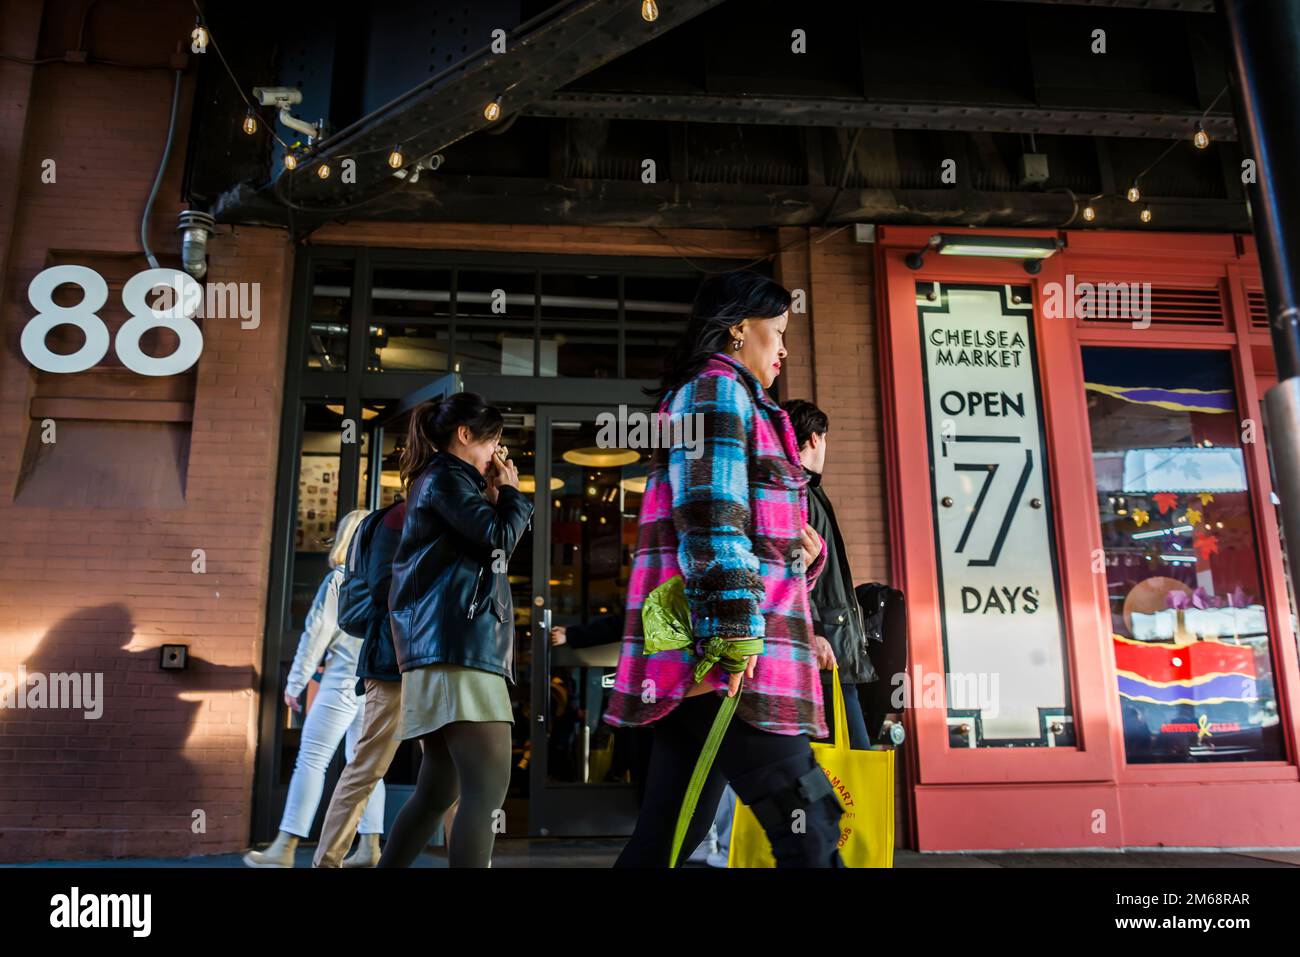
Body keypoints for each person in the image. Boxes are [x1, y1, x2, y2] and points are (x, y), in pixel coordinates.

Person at [603, 269, 845, 868]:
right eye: (778, 331)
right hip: (733, 663)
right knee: (811, 826)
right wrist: (735, 633)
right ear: (739, 328)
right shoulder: (715, 393)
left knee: (668, 837)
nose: (784, 348)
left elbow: (739, 529)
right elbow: (710, 518)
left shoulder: (733, 398)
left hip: (716, 660)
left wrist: (802, 560)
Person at [378, 393, 533, 868]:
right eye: (493, 443)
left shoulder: (443, 481)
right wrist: (511, 493)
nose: (497, 455)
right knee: (486, 790)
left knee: (437, 789)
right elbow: (498, 540)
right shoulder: (446, 478)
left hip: (443, 649)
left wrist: (492, 494)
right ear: (465, 435)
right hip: (458, 650)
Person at [244, 509, 384, 867]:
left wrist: (296, 682)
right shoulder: (382, 580)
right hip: (374, 682)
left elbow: (315, 635)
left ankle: (285, 847)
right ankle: (369, 846)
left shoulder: (339, 580)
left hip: (340, 681)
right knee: (365, 765)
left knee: (311, 760)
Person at [312, 499, 406, 868]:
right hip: (389, 665)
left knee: (446, 775)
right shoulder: (392, 524)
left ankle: (360, 849)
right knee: (364, 765)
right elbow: (319, 631)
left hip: (416, 664)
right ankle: (328, 859)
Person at [782, 399, 876, 750]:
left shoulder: (806, 491)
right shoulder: (799, 493)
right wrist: (816, 632)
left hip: (829, 647)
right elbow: (793, 567)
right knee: (850, 758)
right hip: (826, 652)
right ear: (815, 439)